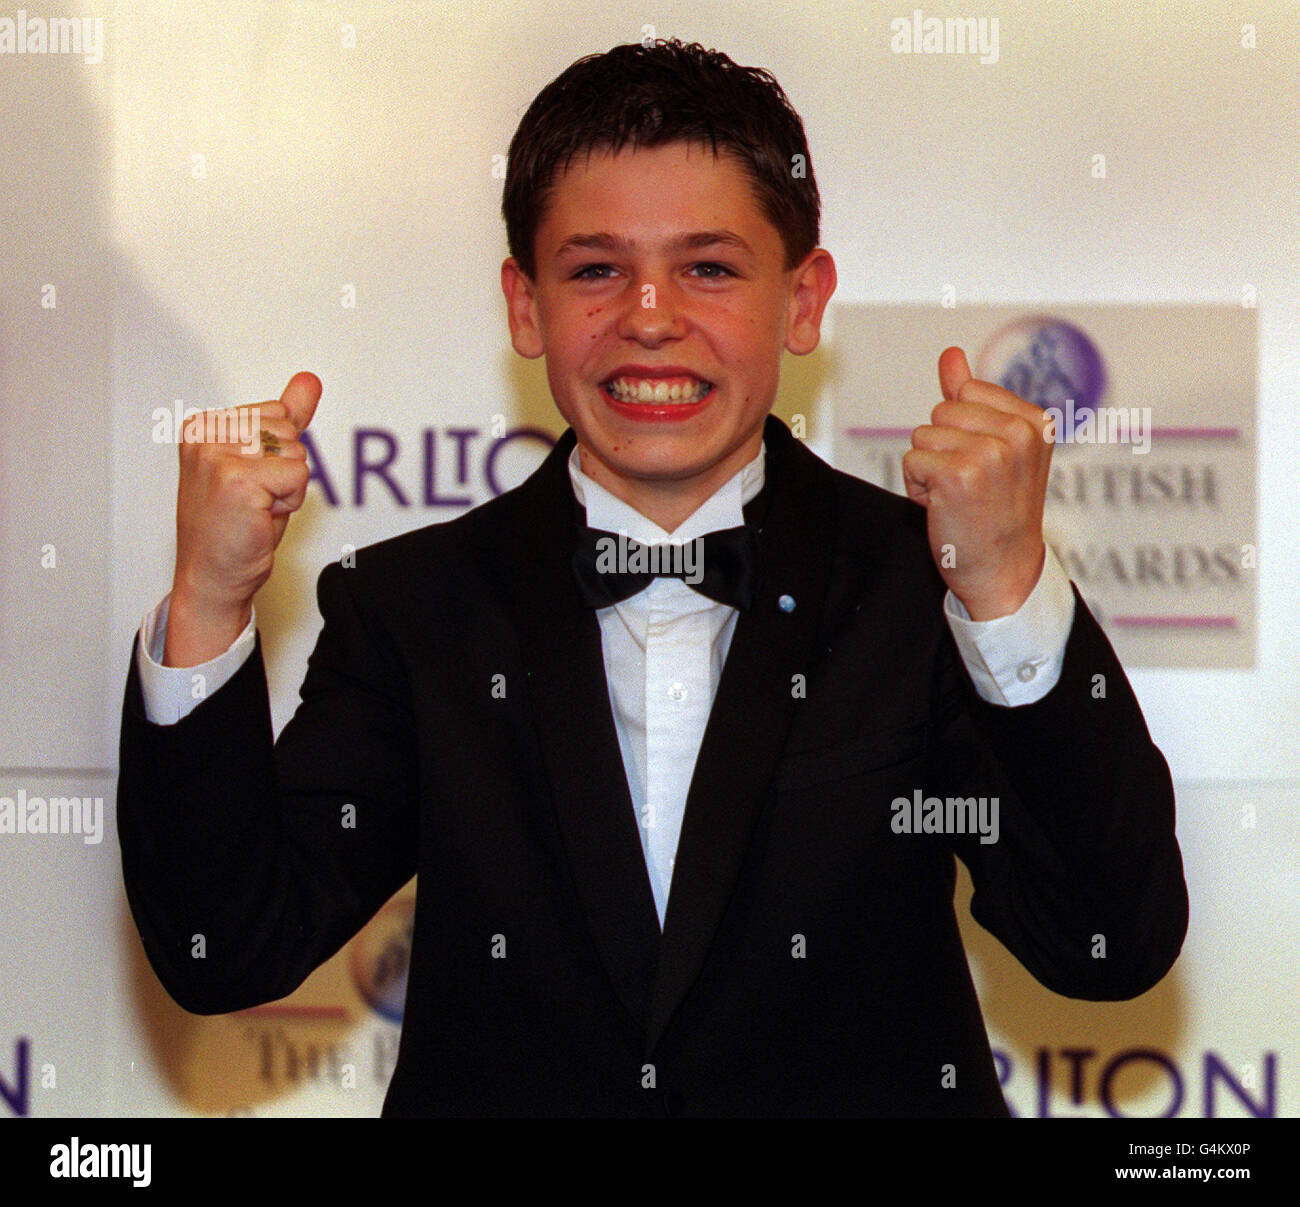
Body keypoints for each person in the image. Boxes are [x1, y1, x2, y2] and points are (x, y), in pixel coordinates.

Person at [118, 38, 1187, 1116]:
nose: (647, 314)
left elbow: (1106, 945)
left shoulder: (925, 596)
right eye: (595, 269)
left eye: (708, 267)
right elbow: (226, 949)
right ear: (525, 306)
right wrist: (209, 602)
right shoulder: (413, 608)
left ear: (803, 300)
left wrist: (1002, 583)